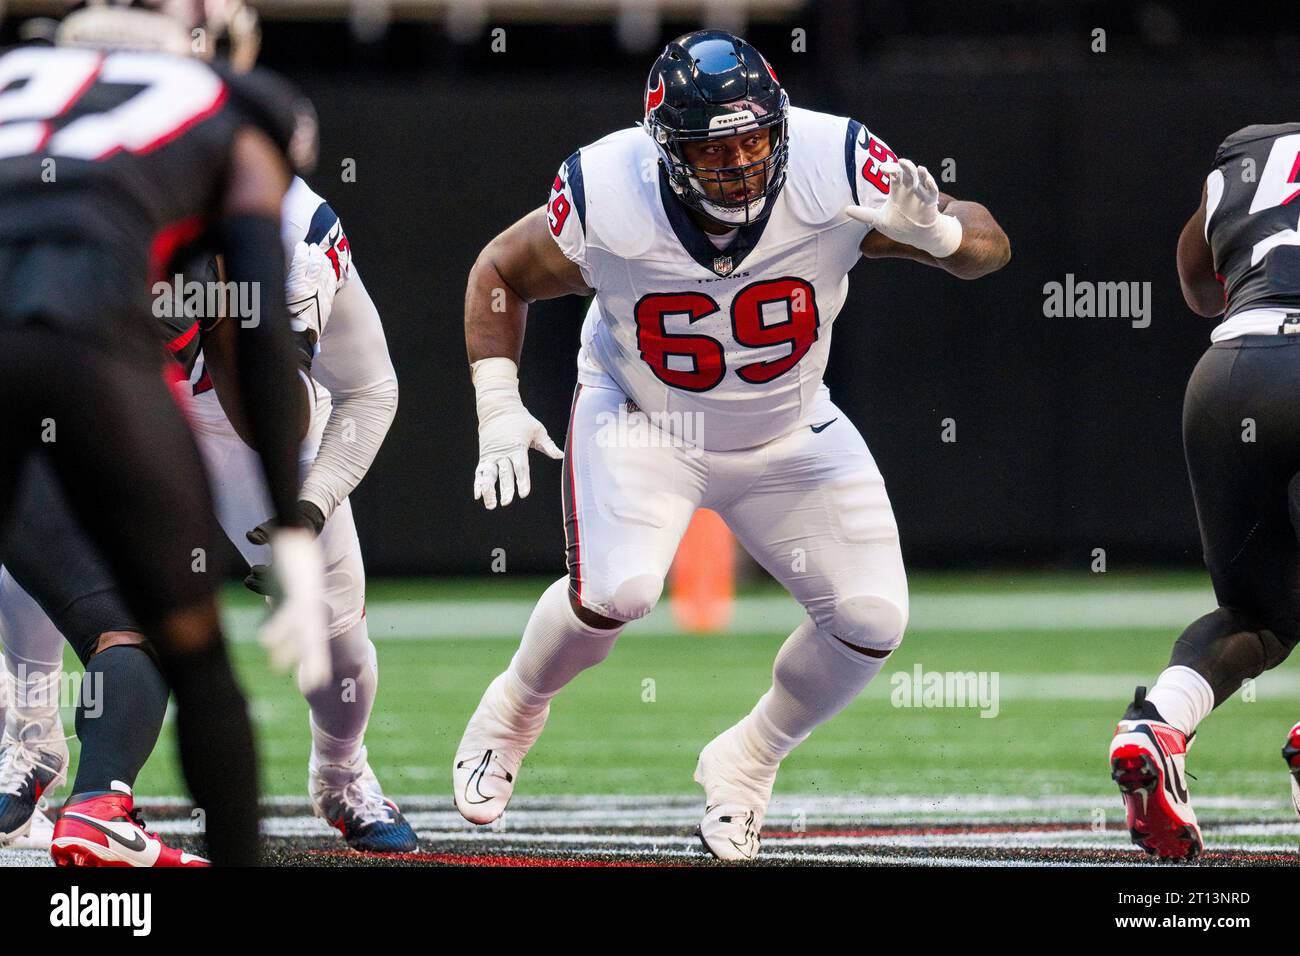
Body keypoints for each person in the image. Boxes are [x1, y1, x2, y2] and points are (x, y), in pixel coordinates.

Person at [453, 29, 1009, 860]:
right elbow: (500, 269)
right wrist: (497, 401)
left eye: (756, 138)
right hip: (645, 418)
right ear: (667, 150)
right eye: (717, 147)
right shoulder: (610, 189)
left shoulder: (834, 161)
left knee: (872, 618)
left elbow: (991, 245)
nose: (744, 163)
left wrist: (942, 237)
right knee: (618, 592)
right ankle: (511, 711)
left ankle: (748, 760)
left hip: (786, 427)